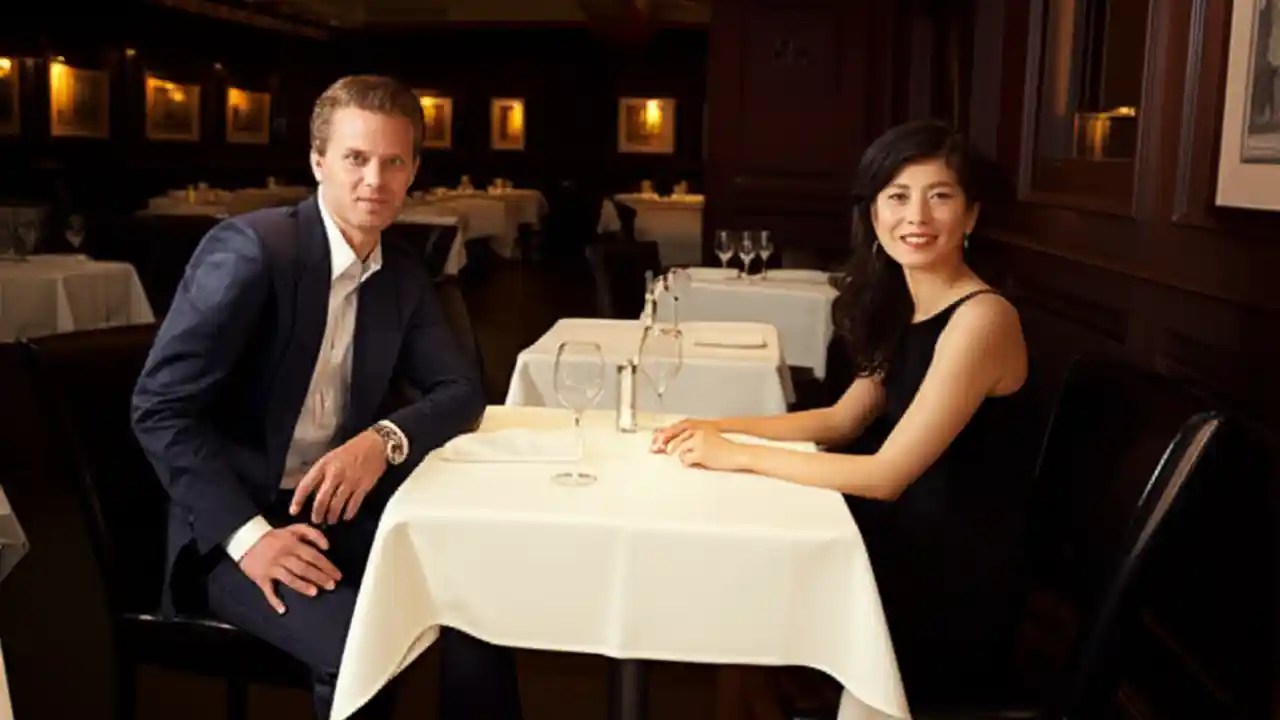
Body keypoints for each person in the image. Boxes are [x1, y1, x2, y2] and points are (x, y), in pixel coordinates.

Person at [132, 75, 523, 720]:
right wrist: (250, 536)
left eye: (394, 161)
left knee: (478, 602)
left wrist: (382, 440)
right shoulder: (253, 252)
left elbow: (460, 392)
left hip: (333, 510)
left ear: (414, 169)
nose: (376, 179)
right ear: (318, 162)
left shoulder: (398, 271)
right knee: (364, 643)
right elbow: (159, 409)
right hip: (234, 525)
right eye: (356, 158)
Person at [651, 120, 1036, 712]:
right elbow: (840, 421)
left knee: (746, 587)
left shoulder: (981, 318)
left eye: (940, 196)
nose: (918, 216)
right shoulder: (906, 305)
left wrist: (740, 455)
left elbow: (886, 476)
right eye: (898, 196)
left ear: (971, 217)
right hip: (905, 537)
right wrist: (719, 427)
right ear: (874, 214)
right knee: (740, 592)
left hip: (946, 576)